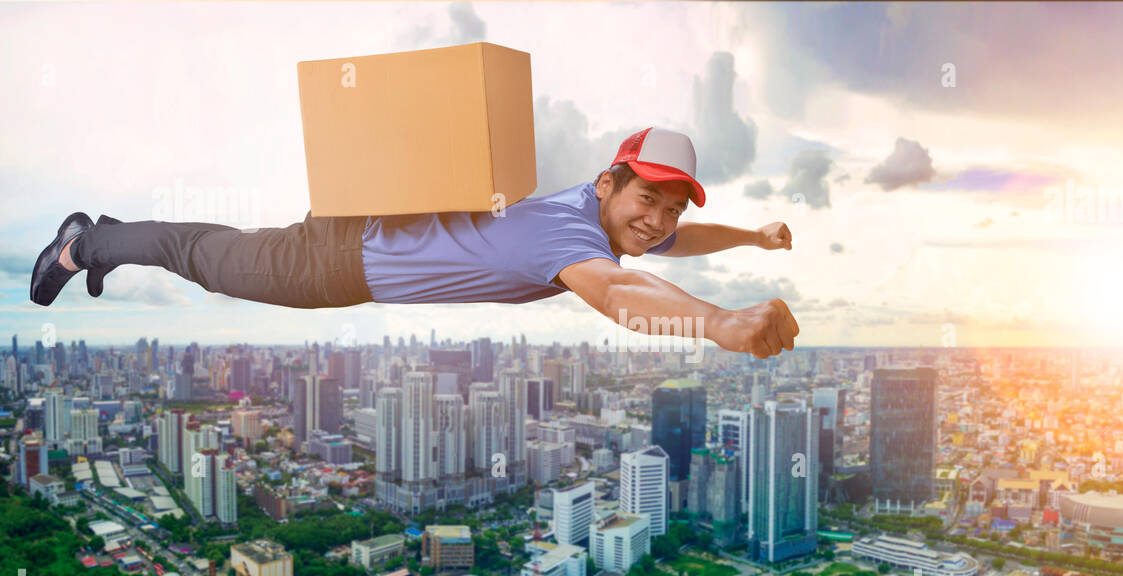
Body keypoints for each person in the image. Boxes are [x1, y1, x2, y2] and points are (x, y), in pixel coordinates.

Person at [31, 127, 799, 358]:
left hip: (360, 228)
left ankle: (102, 243)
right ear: (608, 182)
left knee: (213, 251)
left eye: (669, 207)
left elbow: (673, 244)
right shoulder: (566, 241)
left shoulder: (601, 214)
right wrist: (720, 322)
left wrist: (752, 238)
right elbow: (622, 295)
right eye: (648, 200)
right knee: (204, 258)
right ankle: (85, 244)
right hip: (331, 264)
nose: (658, 222)